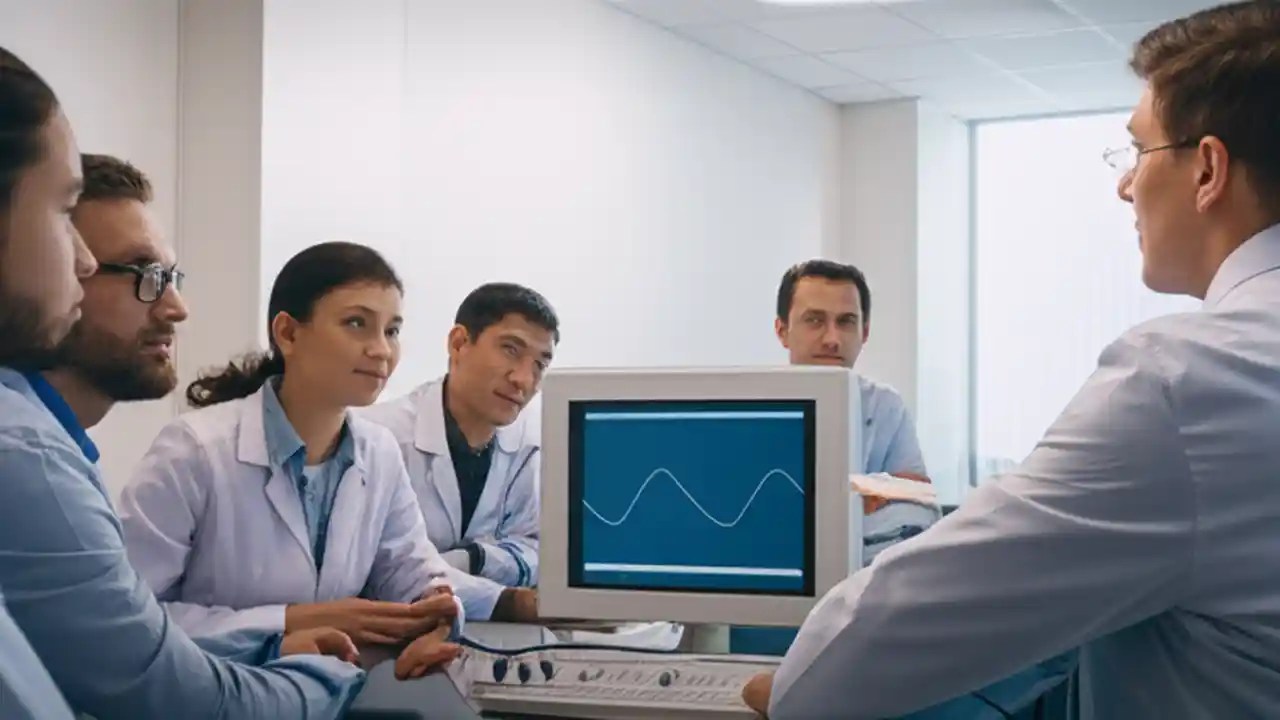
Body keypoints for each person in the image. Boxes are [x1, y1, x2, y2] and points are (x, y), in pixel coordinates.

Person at [746, 2, 1280, 718]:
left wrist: (792, 687)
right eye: (814, 321)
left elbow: (899, 623)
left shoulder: (1185, 380)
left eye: (1138, 151)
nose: (1125, 185)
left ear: (1207, 169)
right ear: (782, 329)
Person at [0, 48, 366, 719]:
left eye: (171, 277)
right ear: (287, 332)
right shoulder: (27, 452)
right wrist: (329, 673)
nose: (176, 308)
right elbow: (167, 692)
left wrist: (268, 640)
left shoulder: (42, 442)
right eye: (61, 211)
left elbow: (118, 642)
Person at [120, 242, 467, 668]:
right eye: (356, 323)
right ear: (288, 333)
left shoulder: (379, 453)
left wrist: (435, 611)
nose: (381, 350)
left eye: (392, 331)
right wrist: (289, 622)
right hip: (206, 689)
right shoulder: (194, 450)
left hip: (328, 690)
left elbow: (409, 565)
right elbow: (129, 615)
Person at [362, 282, 557, 623]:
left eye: (540, 365)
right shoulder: (379, 437)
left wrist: (474, 558)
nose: (524, 379)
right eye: (511, 350)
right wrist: (508, 600)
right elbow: (386, 573)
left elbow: (536, 549)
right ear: (459, 343)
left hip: (490, 635)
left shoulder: (529, 446)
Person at [774, 259, 928, 480]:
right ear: (782, 331)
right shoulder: (751, 405)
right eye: (814, 320)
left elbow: (915, 499)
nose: (832, 339)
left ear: (864, 333)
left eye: (846, 322)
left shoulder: (885, 409)